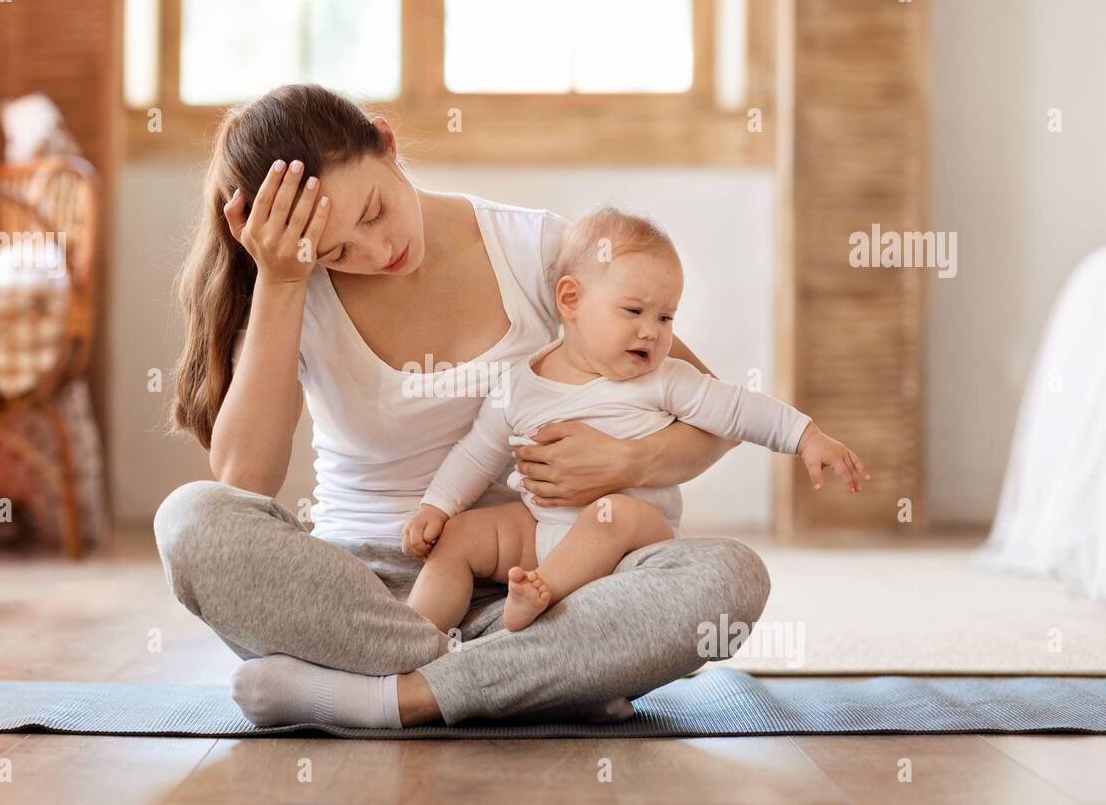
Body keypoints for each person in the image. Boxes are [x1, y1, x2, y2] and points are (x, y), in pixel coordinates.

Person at [153, 83, 773, 729]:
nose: (375, 254)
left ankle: (391, 697)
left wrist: (628, 460)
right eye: (336, 251)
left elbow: (714, 415)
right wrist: (282, 281)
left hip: (554, 581)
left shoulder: (537, 250)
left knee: (727, 576)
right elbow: (245, 483)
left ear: (388, 145)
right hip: (370, 598)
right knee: (192, 520)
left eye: (372, 213)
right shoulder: (292, 287)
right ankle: (533, 679)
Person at [401, 206, 869, 633]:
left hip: (635, 543)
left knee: (614, 512)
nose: (652, 330)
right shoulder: (520, 385)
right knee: (463, 535)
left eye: (667, 317)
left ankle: (541, 595)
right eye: (633, 311)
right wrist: (437, 507)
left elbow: (739, 409)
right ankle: (414, 639)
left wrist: (805, 436)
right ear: (571, 299)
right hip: (541, 529)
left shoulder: (664, 380)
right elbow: (477, 453)